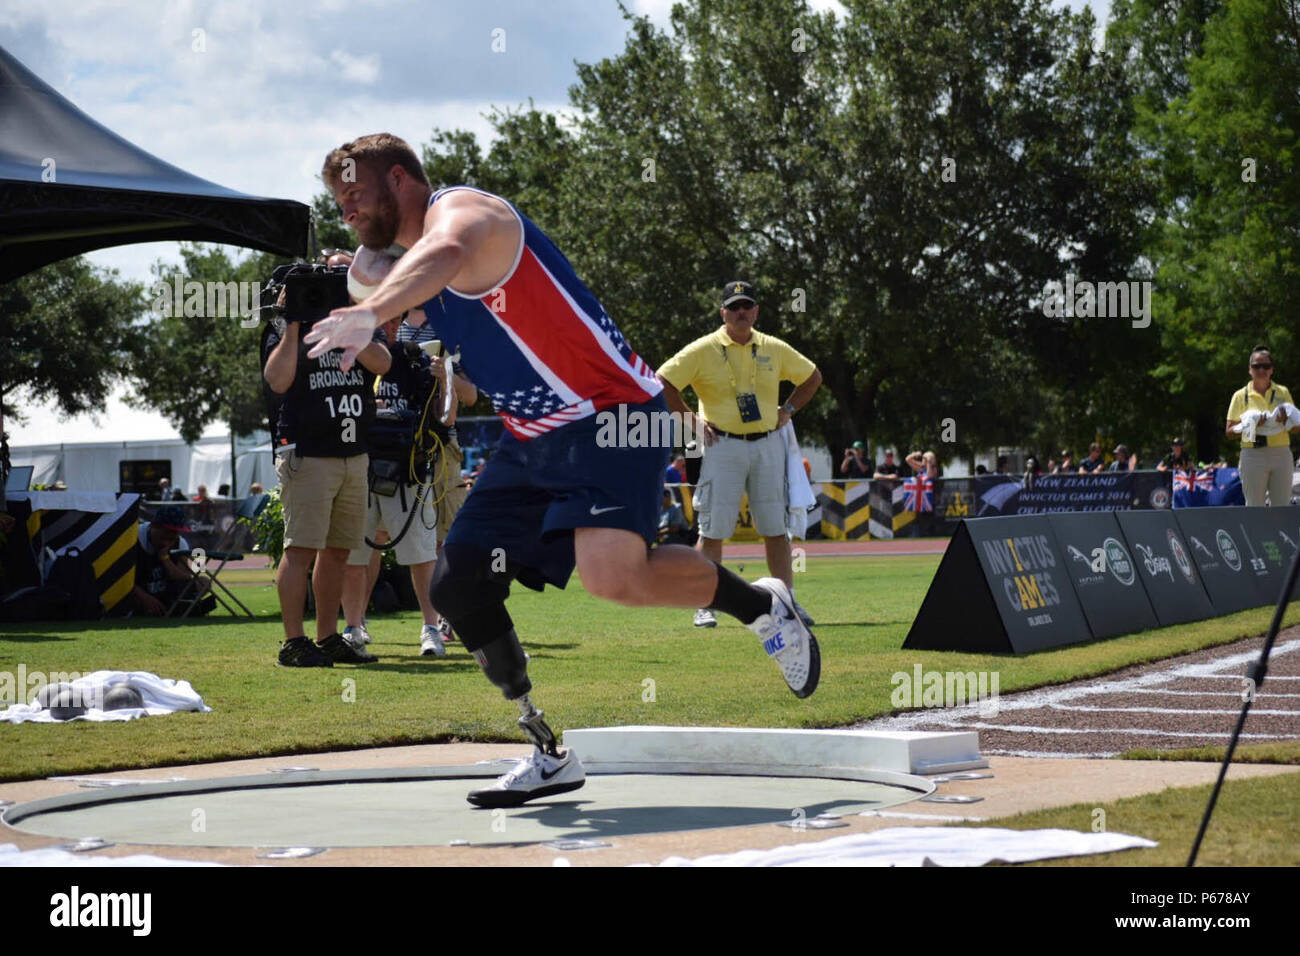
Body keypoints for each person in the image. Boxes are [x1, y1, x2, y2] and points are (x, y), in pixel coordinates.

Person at [306, 134, 819, 808]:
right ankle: (546, 748)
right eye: (336, 197)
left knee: (614, 578)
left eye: (354, 192)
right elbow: (415, 290)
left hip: (610, 413)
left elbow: (445, 253)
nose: (344, 207)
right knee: (459, 587)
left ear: (400, 179)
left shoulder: (469, 216)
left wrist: (371, 306)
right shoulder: (414, 273)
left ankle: (763, 606)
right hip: (531, 439)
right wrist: (367, 292)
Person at [657, 280, 824, 631]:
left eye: (747, 306)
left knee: (776, 529)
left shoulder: (773, 347)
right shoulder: (703, 349)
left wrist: (789, 408)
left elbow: (812, 377)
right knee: (713, 529)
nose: (741, 312)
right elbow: (662, 381)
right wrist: (691, 421)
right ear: (723, 313)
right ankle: (705, 603)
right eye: (734, 307)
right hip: (721, 444)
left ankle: (786, 601)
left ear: (756, 311)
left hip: (767, 443)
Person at [263, 252, 391, 667]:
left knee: (338, 550)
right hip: (308, 452)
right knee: (300, 548)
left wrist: (353, 324)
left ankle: (327, 636)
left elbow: (383, 364)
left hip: (353, 454)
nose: (331, 286)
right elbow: (277, 380)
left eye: (341, 277)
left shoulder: (361, 322)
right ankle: (292, 642)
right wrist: (295, 321)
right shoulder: (287, 328)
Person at [340, 250, 470, 657]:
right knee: (356, 553)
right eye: (386, 320)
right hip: (363, 467)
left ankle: (430, 629)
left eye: (396, 320)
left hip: (410, 468)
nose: (392, 327)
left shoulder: (417, 359)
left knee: (420, 553)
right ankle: (353, 627)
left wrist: (444, 378)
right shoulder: (357, 360)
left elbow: (444, 416)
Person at [1226, 345, 1300, 506]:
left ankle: (1279, 533)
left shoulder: (1282, 392)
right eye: (1256, 366)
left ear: (1272, 369)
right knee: (1254, 507)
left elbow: (1296, 428)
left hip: (1281, 454)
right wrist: (1251, 424)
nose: (1261, 370)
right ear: (1249, 369)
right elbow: (1230, 432)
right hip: (1252, 454)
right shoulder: (1240, 396)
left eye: (1266, 366)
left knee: (1281, 507)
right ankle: (1255, 532)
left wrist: (1285, 420)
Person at [131, 506, 214, 617]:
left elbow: (182, 576)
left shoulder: (180, 543)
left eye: (175, 533)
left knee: (204, 582)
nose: (169, 538)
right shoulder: (132, 539)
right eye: (167, 532)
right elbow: (120, 577)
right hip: (137, 591)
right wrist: (144, 597)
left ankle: (171, 608)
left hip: (166, 592)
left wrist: (165, 558)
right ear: (154, 526)